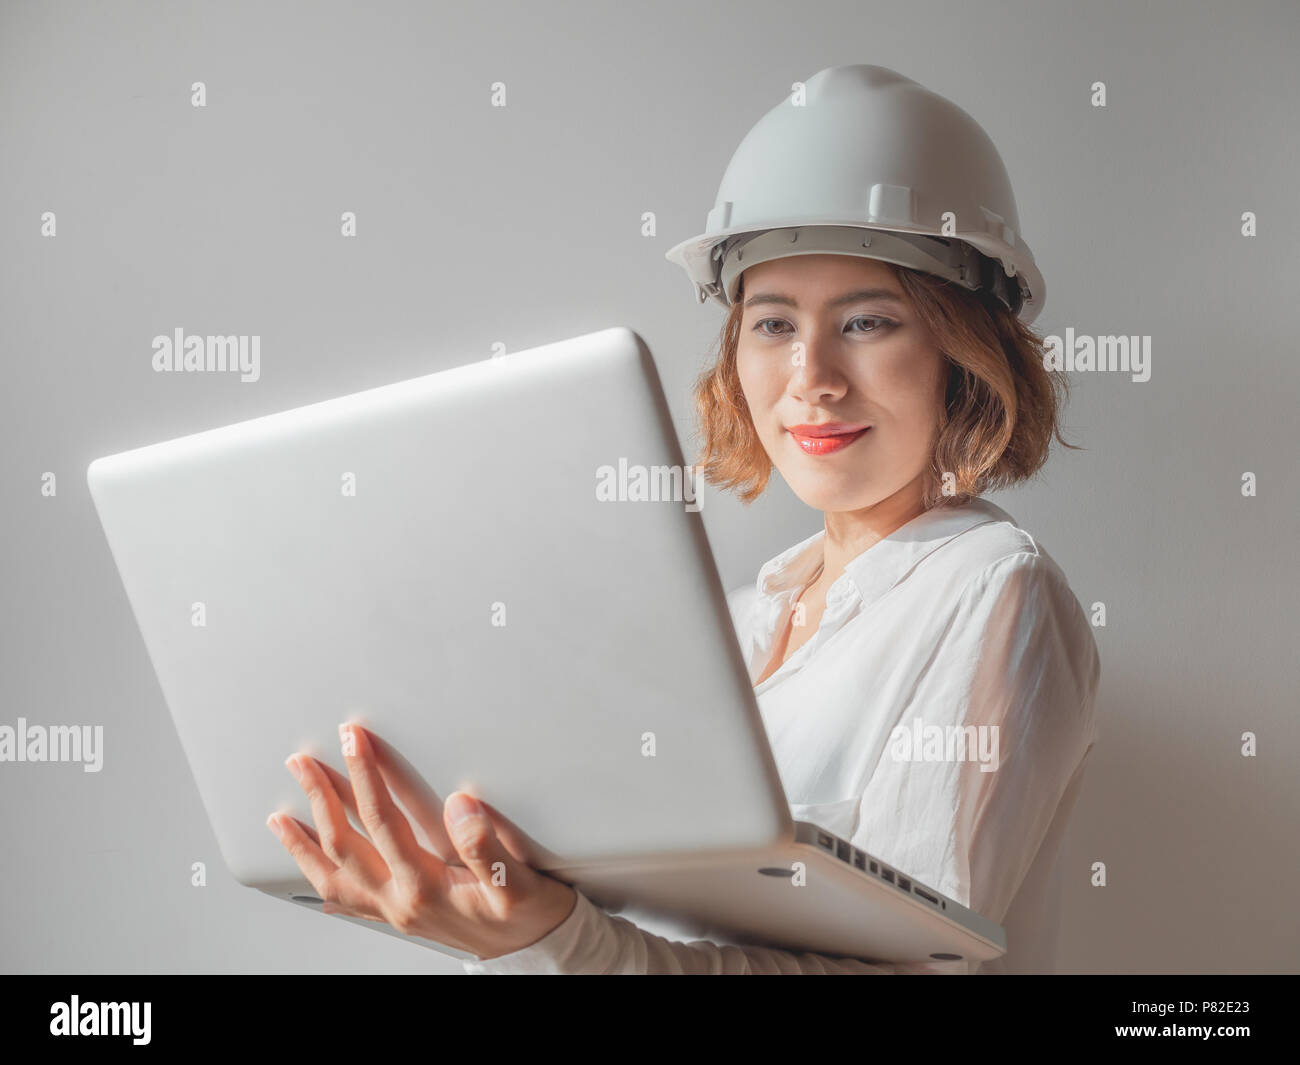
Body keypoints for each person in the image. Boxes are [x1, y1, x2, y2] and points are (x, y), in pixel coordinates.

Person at [266, 64, 1101, 974]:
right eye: (774, 325)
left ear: (967, 353)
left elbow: (924, 972)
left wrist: (564, 945)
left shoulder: (993, 590)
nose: (810, 377)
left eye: (867, 322)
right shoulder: (735, 623)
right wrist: (489, 902)